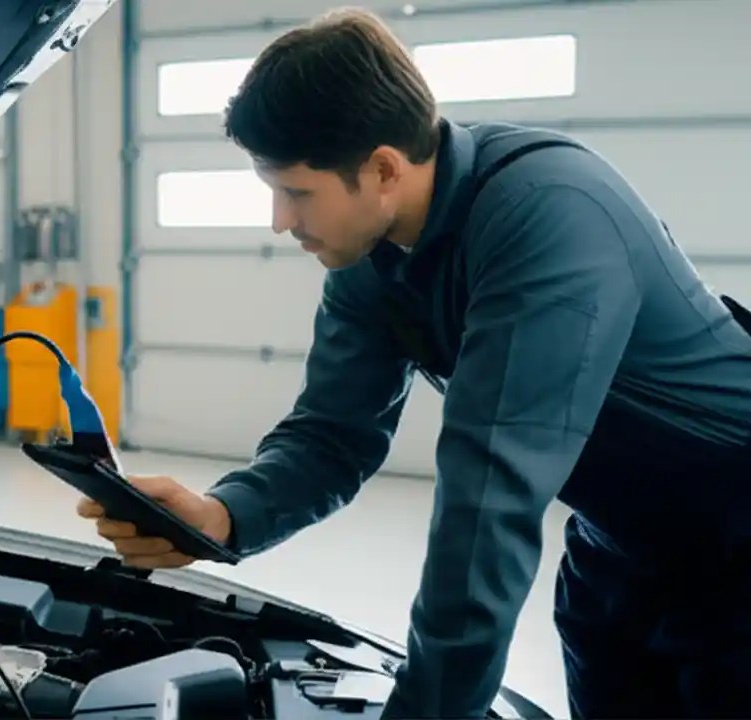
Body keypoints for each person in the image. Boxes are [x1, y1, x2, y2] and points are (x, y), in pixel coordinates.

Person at [76, 7, 751, 719]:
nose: (279, 221)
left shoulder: (549, 215)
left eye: (295, 192)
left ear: (383, 170)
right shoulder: (372, 260)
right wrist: (222, 515)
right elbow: (332, 436)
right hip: (618, 550)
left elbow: (489, 500)